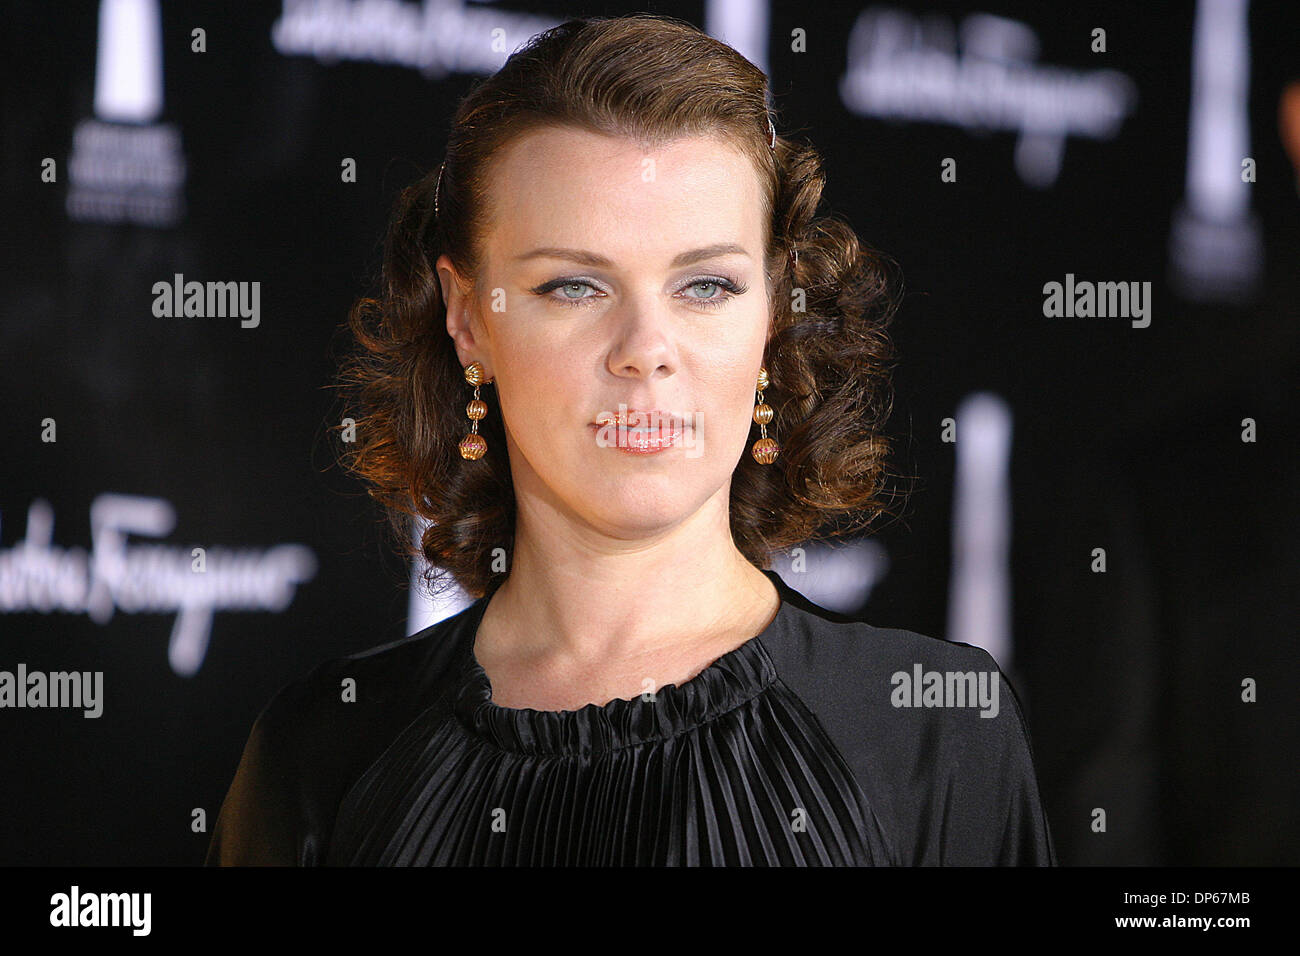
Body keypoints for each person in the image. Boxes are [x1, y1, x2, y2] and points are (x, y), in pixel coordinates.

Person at [205, 13, 1055, 866]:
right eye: (575, 286)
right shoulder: (323, 749)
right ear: (469, 319)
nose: (646, 350)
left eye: (707, 285)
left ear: (774, 312)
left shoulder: (934, 732)